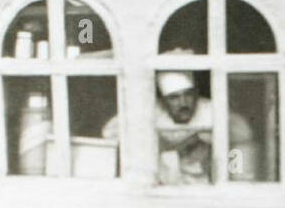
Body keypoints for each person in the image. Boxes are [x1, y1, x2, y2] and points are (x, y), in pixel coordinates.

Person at [104, 70, 257, 184]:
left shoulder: (211, 111)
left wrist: (234, 176)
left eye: (188, 95)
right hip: (160, 191)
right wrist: (160, 144)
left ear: (196, 95)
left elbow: (242, 137)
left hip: (205, 191)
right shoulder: (151, 111)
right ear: (163, 101)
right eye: (174, 98)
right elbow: (109, 134)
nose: (183, 103)